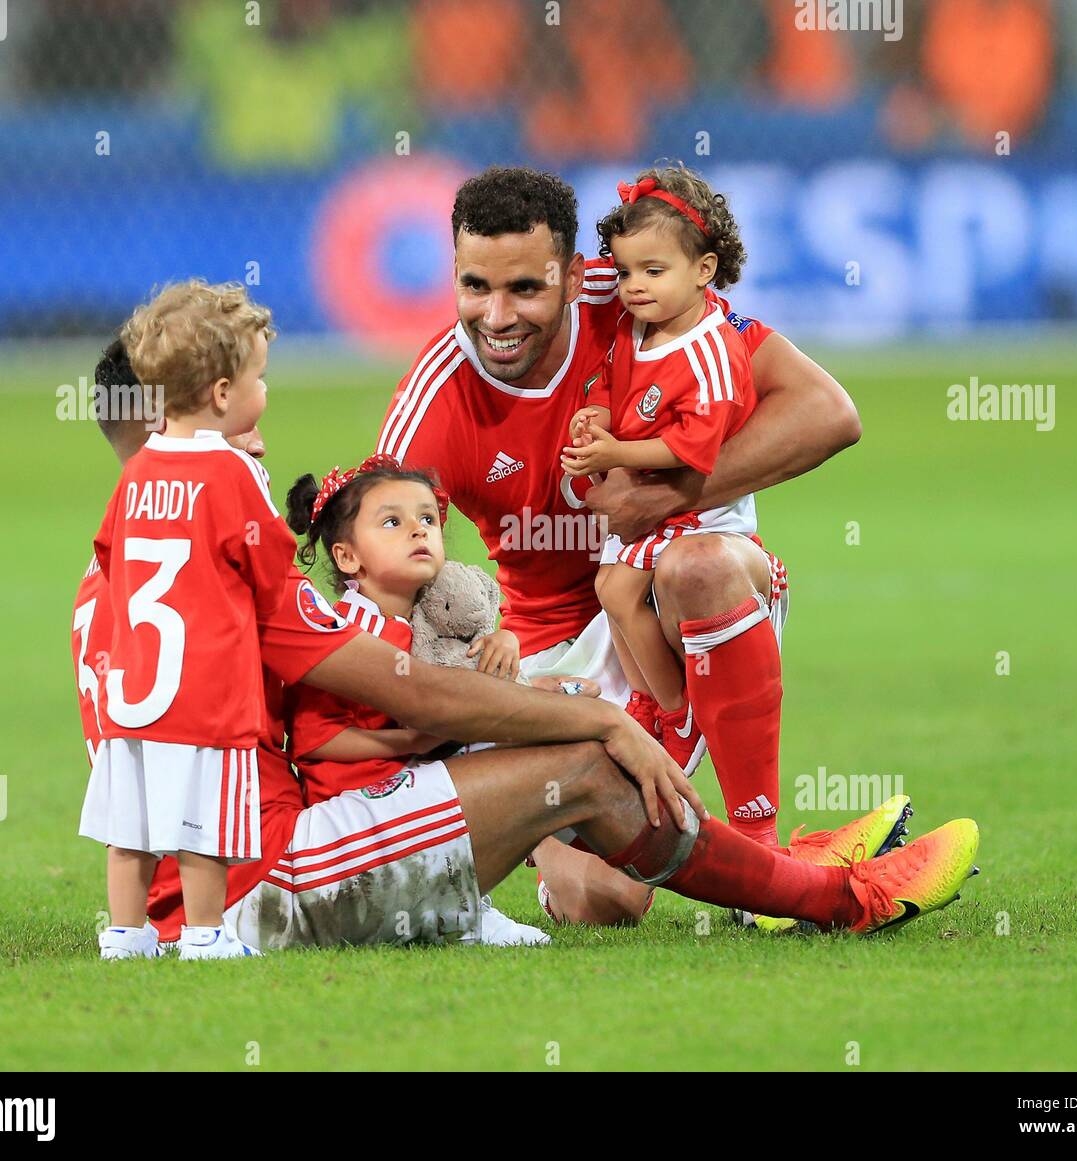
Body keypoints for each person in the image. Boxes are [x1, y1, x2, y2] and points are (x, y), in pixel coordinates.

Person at [73, 339, 982, 953]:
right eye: (239, 414)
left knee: (576, 796)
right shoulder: (222, 551)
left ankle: (782, 872)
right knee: (587, 764)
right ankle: (839, 900)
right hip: (262, 885)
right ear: (177, 423)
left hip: (227, 872)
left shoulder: (116, 564)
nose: (261, 435)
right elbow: (414, 693)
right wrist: (592, 718)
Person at [377, 166, 864, 924]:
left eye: (525, 290)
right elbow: (380, 586)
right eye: (475, 287)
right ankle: (753, 851)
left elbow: (827, 411)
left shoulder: (642, 293)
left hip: (688, 604)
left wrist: (669, 497)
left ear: (575, 275)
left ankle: (762, 847)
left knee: (696, 563)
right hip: (554, 662)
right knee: (597, 902)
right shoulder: (431, 405)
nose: (496, 316)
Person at [81, 280, 296, 961]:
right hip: (207, 693)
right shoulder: (232, 474)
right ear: (224, 394)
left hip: (135, 693)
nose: (265, 392)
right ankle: (205, 933)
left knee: (131, 827)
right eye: (260, 378)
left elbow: (110, 554)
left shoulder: (137, 470)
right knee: (208, 821)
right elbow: (270, 565)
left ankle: (125, 934)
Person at [282, 454, 547, 945]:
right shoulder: (343, 630)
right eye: (392, 522)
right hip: (356, 813)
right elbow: (315, 741)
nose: (418, 531)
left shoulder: (428, 623)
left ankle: (464, 907)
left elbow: (473, 684)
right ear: (347, 558)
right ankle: (459, 909)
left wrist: (504, 641)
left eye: (427, 518)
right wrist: (413, 740)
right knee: (531, 745)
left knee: (533, 720)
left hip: (406, 789)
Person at [562, 165, 762, 802]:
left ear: (704, 270)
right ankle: (651, 703)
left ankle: (676, 713)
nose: (633, 287)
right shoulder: (638, 330)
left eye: (654, 271)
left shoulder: (710, 347)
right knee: (609, 586)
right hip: (652, 500)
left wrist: (615, 451)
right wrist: (599, 416)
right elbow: (623, 392)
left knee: (619, 588)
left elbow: (693, 448)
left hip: (698, 512)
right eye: (623, 273)